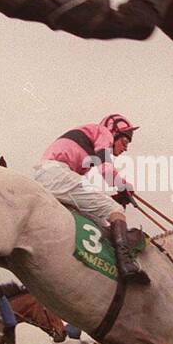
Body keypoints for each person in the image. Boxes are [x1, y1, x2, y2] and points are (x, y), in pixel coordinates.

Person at [33, 114, 146, 283]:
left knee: (99, 218)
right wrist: (123, 186)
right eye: (125, 141)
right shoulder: (104, 133)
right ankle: (126, 264)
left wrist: (115, 195)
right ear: (114, 133)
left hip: (48, 176)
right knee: (116, 210)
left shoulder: (86, 148)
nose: (126, 148)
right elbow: (105, 169)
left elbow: (80, 192)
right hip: (57, 174)